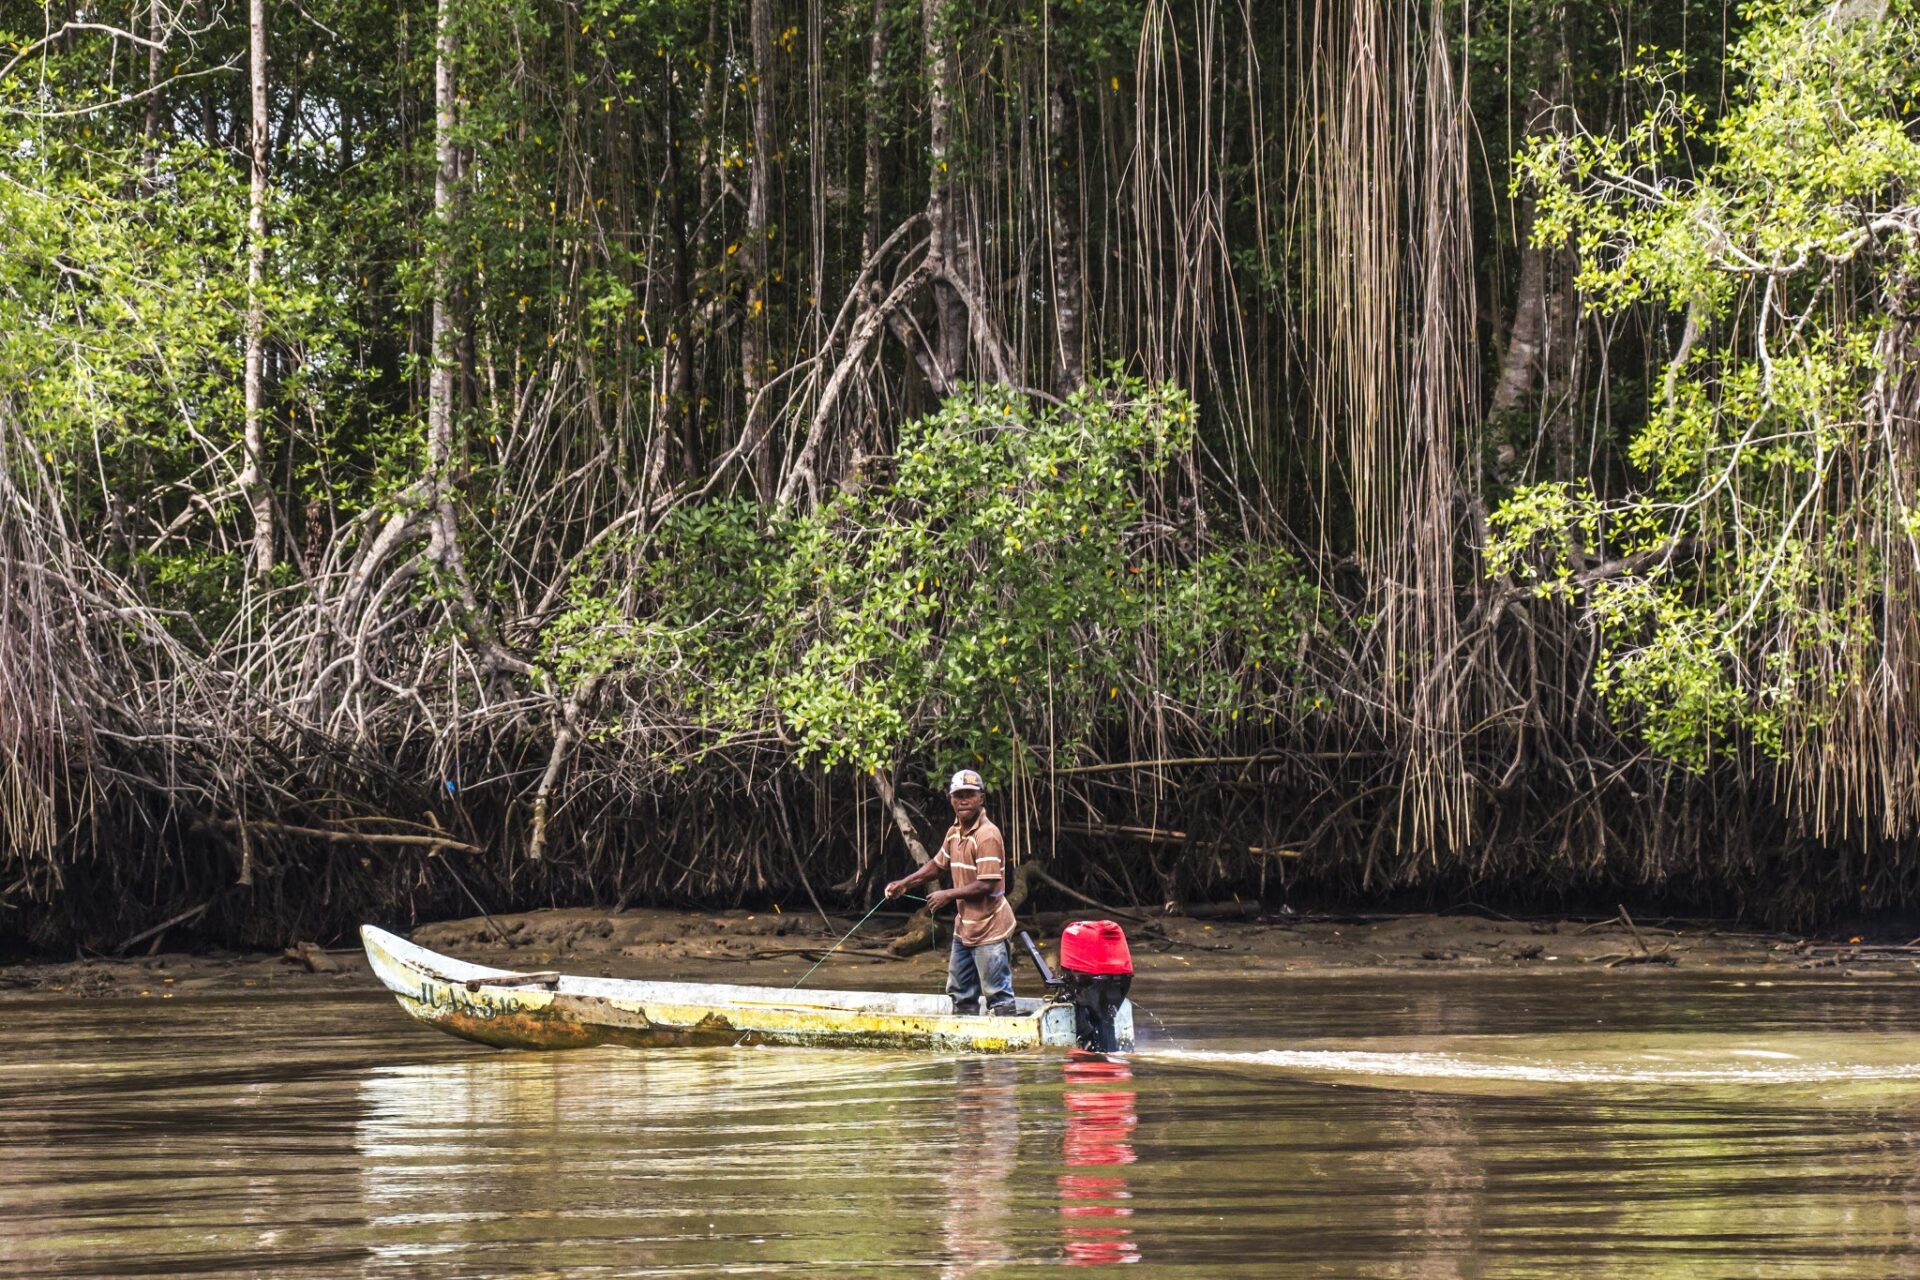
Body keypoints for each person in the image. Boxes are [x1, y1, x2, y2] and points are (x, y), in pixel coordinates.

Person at [884, 769, 1019, 1016]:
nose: (964, 800)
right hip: (965, 927)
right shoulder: (954, 831)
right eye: (958, 795)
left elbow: (988, 884)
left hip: (990, 928)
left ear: (981, 798)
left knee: (998, 996)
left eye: (970, 794)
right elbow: (937, 865)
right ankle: (966, 1051)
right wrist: (905, 883)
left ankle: (1006, 1053)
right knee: (960, 993)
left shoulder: (987, 835)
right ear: (951, 799)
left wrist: (948, 895)